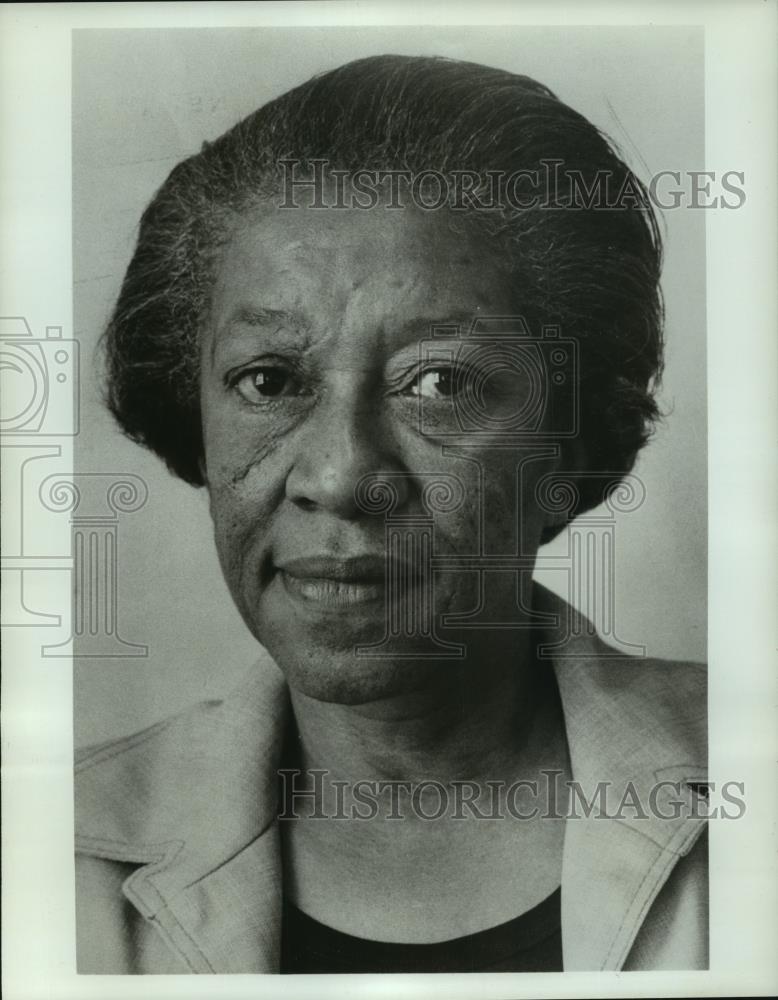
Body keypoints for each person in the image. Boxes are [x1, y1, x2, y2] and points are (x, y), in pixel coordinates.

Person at [75, 54, 707, 974]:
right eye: (269, 380)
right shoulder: (52, 855)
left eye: (441, 382)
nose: (338, 476)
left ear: (563, 438)